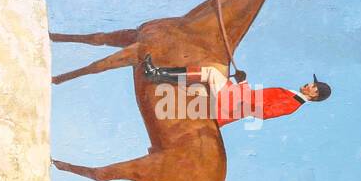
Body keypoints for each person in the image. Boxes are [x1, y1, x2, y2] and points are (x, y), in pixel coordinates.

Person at [141, 55, 331, 127]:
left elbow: (262, 112)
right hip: (235, 98)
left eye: (312, 87)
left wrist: (243, 84)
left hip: (233, 105)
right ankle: (159, 80)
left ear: (313, 95)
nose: (308, 84)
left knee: (211, 73)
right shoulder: (291, 95)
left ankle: (156, 74)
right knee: (195, 89)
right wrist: (243, 83)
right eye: (311, 83)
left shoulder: (292, 104)